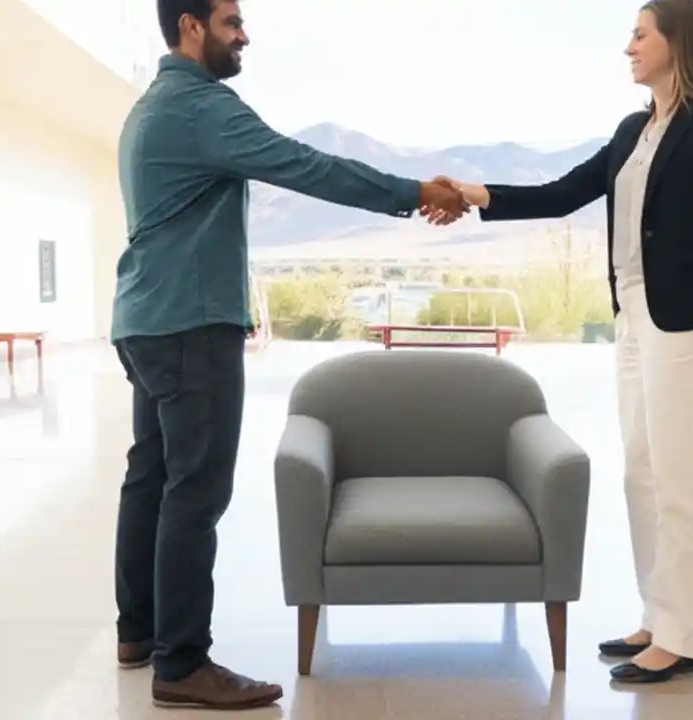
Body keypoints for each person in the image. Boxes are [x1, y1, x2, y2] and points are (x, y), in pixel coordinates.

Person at [111, 0, 467, 710]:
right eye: (230, 21)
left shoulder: (148, 109)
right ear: (189, 26)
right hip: (191, 319)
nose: (245, 34)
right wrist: (412, 192)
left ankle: (140, 631)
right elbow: (305, 166)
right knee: (195, 489)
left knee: (150, 476)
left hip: (146, 318)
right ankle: (180, 661)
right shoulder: (200, 106)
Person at [434, 0, 693, 685]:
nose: (628, 46)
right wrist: (477, 193)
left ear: (678, 39)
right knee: (642, 472)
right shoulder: (635, 128)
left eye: (640, 34)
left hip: (689, 325)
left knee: (683, 480)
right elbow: (564, 192)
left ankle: (687, 636)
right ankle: (659, 616)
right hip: (636, 318)